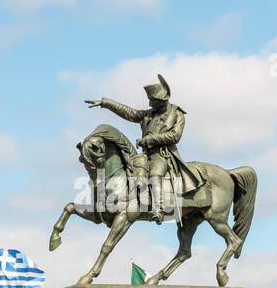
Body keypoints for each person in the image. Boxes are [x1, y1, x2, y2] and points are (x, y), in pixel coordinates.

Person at [85, 75, 201, 223]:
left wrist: (149, 139)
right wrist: (106, 103)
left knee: (155, 174)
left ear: (161, 100)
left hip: (164, 155)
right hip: (145, 155)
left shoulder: (177, 114)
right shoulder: (148, 114)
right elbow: (129, 112)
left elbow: (174, 136)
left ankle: (158, 210)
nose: (150, 103)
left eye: (152, 101)